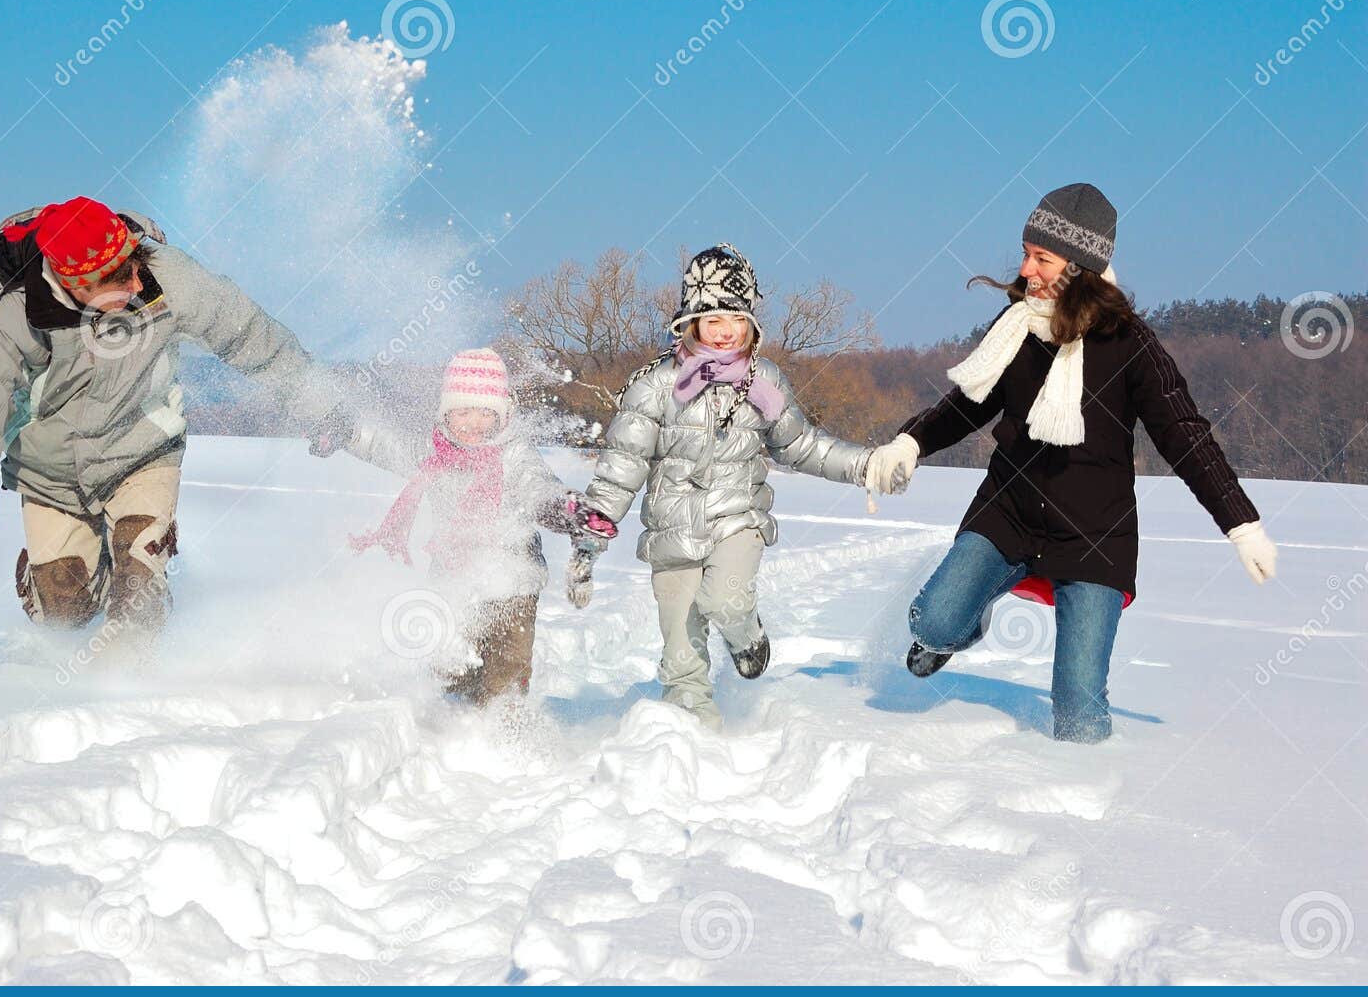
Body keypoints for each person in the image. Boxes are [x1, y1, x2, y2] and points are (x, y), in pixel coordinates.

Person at [865, 183, 1279, 743]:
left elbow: (1185, 436)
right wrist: (909, 442)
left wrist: (1241, 522)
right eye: (1026, 253)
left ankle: (1079, 814)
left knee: (1080, 716)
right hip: (1007, 513)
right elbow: (967, 405)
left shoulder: (1130, 344)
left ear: (1080, 268)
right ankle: (966, 616)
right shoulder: (1015, 325)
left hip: (1093, 536)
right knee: (933, 622)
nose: (1025, 269)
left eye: (1042, 258)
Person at [0, 196, 345, 637]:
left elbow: (248, 334)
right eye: (113, 281)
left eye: (131, 265)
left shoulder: (165, 276)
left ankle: (135, 674)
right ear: (73, 284)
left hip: (142, 451)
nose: (133, 284)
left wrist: (320, 405)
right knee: (67, 611)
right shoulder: (10, 313)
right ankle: (56, 578)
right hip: (48, 473)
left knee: (138, 585)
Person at [582, 244, 881, 729]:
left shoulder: (764, 382)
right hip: (671, 531)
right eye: (713, 317)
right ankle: (697, 744)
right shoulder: (658, 386)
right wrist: (595, 526)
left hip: (737, 519)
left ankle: (746, 637)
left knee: (725, 600)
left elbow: (801, 444)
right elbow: (624, 461)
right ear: (691, 322)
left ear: (751, 323)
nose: (725, 330)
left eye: (736, 318)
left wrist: (865, 465)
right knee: (680, 657)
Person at [337, 348, 615, 705]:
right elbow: (386, 446)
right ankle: (452, 739)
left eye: (486, 412)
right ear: (446, 414)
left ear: (503, 414)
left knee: (507, 675)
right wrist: (348, 431)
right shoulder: (434, 453)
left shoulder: (513, 454)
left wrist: (566, 509)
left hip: (513, 585)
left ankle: (507, 736)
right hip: (454, 582)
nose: (474, 423)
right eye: (463, 411)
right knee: (452, 671)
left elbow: (538, 488)